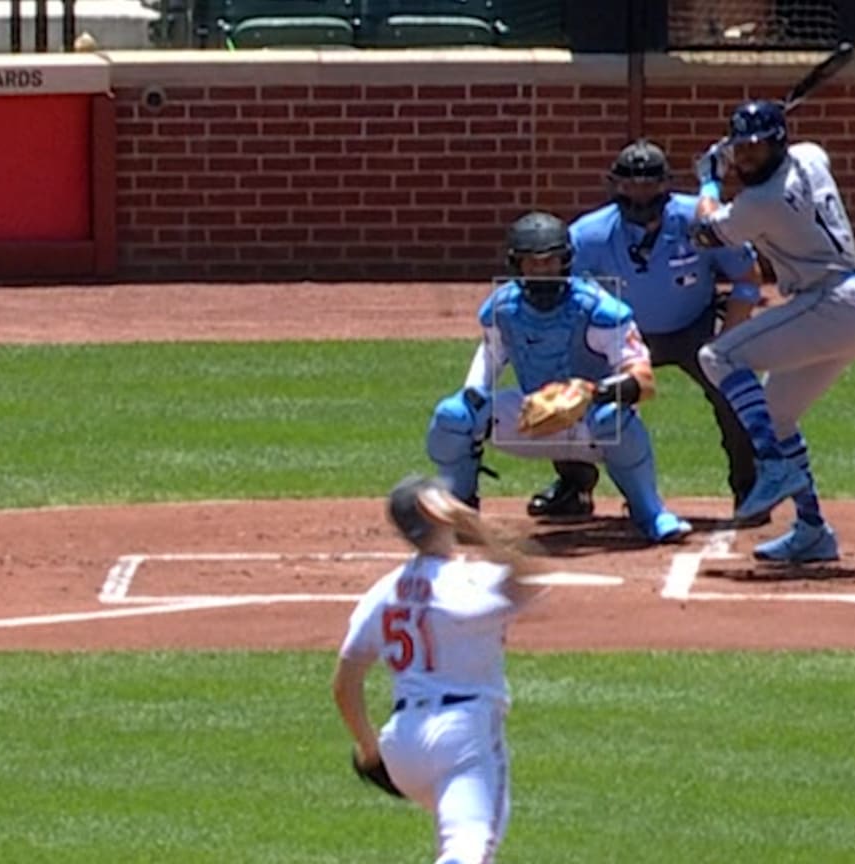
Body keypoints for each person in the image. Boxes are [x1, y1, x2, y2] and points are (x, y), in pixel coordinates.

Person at [526, 139, 766, 525]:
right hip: (620, 335)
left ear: (665, 184)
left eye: (649, 184)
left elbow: (747, 277)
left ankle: (750, 489)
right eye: (630, 184)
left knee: (734, 388)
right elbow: (562, 291)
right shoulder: (588, 235)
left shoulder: (699, 221)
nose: (639, 193)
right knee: (567, 387)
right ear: (615, 185)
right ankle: (574, 484)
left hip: (695, 325)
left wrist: (730, 340)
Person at [424, 210, 693, 545]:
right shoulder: (502, 309)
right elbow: (490, 357)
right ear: (517, 265)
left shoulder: (599, 310)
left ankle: (650, 512)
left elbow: (644, 381)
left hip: (588, 426)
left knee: (616, 419)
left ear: (565, 262)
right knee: (453, 416)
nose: (542, 271)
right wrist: (473, 393)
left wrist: (591, 393)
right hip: (531, 417)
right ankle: (459, 511)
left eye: (550, 262)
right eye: (533, 264)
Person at [690, 99, 855, 562]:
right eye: (742, 150)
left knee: (717, 357)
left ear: (779, 144)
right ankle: (813, 529)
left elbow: (706, 231)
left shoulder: (762, 202)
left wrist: (709, 178)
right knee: (777, 415)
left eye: (757, 149)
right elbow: (808, 158)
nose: (748, 158)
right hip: (846, 305)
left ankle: (772, 467)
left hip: (829, 303)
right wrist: (742, 147)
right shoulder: (811, 155)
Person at [332, 473, 549, 864]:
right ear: (438, 511)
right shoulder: (469, 581)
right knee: (470, 852)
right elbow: (529, 576)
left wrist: (369, 750)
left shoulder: (384, 590)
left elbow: (345, 683)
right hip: (462, 736)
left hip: (401, 746)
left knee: (459, 845)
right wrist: (469, 520)